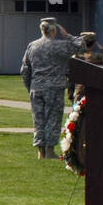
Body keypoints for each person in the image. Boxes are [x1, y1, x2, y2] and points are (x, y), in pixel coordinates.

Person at [21, 17, 87, 159]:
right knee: (52, 119)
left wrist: (30, 87)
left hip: (36, 87)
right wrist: (67, 35)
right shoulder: (60, 45)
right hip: (54, 87)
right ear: (54, 30)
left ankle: (40, 151)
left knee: (38, 119)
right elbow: (81, 44)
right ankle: (49, 151)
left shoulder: (32, 46)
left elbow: (25, 70)